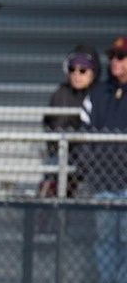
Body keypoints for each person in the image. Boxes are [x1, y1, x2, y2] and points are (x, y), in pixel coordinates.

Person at [78, 35, 127, 283]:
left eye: (121, 57)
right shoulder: (98, 94)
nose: (115, 62)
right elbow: (85, 137)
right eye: (113, 57)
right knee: (106, 240)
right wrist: (92, 170)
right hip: (104, 184)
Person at [40, 45, 100, 197]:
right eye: (72, 69)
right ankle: (46, 211)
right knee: (52, 169)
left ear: (93, 73)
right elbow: (54, 126)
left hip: (94, 156)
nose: (77, 74)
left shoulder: (101, 95)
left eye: (83, 70)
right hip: (64, 153)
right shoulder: (61, 93)